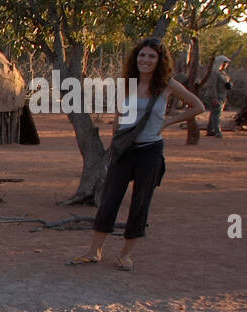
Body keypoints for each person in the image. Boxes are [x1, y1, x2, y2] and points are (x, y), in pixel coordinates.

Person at [67, 37, 207, 273]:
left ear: (160, 60)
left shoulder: (167, 84)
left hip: (150, 151)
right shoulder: (128, 83)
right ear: (136, 57)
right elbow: (120, 115)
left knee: (140, 201)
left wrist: (168, 122)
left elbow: (198, 106)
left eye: (152, 56)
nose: (146, 60)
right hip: (125, 150)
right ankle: (94, 252)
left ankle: (125, 255)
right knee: (110, 199)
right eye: (143, 55)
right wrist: (116, 140)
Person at [206, 55, 231, 137]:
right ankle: (217, 132)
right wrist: (214, 97)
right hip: (217, 96)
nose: (226, 64)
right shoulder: (214, 72)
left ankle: (210, 130)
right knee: (217, 113)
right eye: (225, 63)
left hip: (222, 95)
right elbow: (212, 85)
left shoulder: (222, 73)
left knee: (214, 113)